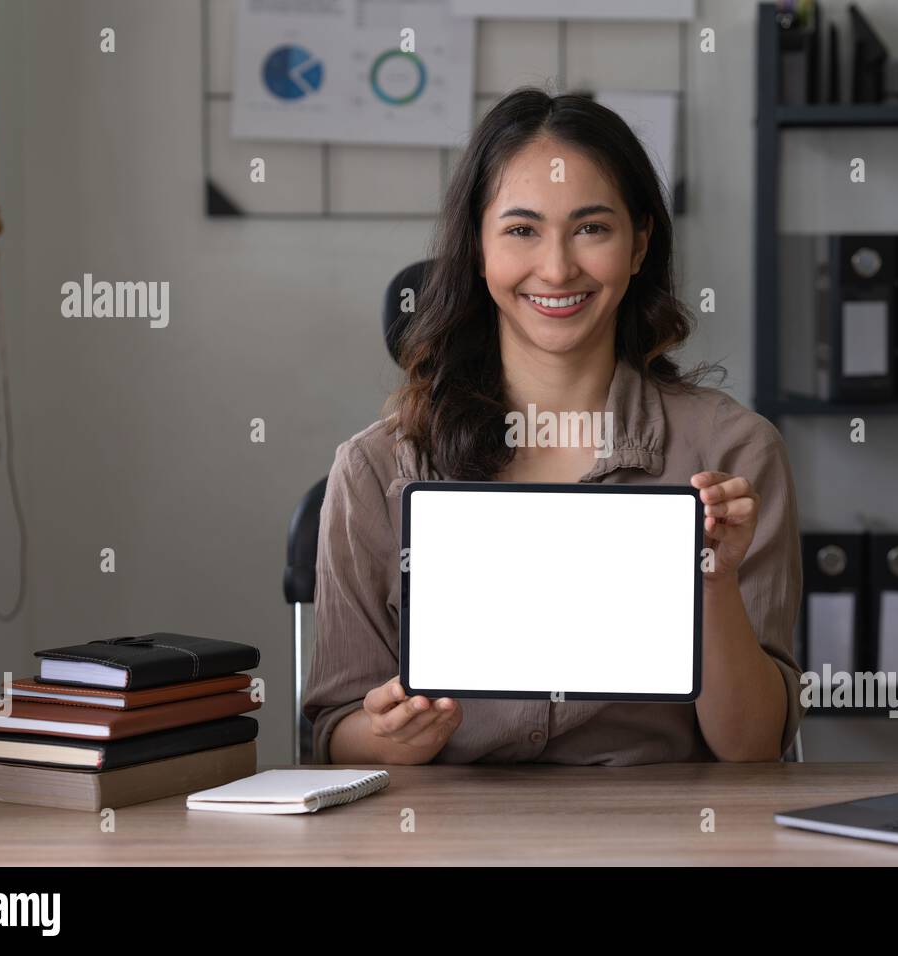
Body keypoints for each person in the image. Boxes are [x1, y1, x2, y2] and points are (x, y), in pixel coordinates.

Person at [303, 87, 805, 766]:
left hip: (663, 841)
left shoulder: (735, 453)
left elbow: (754, 750)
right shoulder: (375, 468)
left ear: (638, 244)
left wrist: (711, 580)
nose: (558, 267)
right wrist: (390, 737)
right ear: (477, 248)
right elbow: (334, 734)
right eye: (521, 229)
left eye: (592, 228)